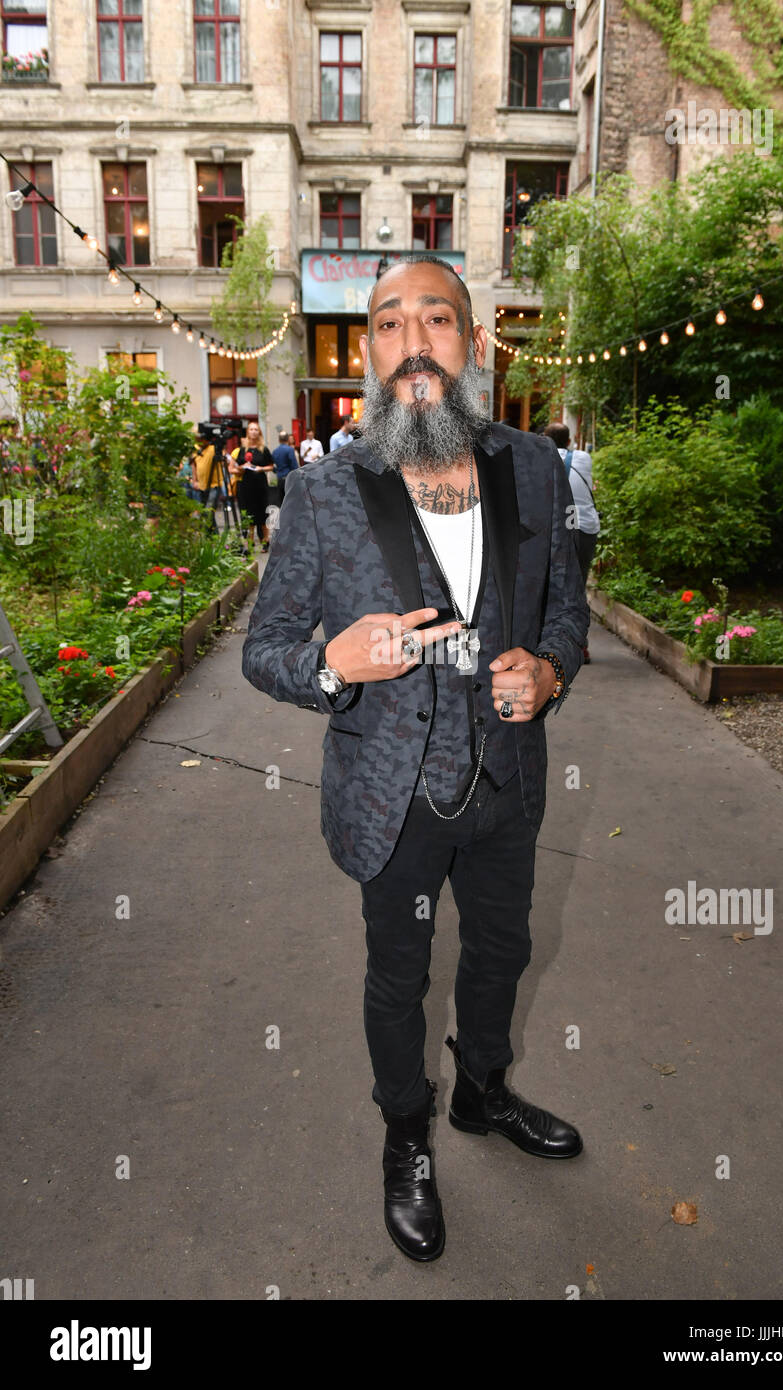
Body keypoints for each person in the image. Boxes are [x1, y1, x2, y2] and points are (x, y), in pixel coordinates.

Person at [242, 254, 589, 1264]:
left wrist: (551, 669)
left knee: (502, 951)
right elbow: (265, 650)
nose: (412, 342)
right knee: (397, 976)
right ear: (368, 354)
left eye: (434, 319)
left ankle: (482, 1090)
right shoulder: (323, 491)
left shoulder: (531, 467)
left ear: (470, 345)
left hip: (507, 779)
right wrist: (330, 666)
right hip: (390, 795)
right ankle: (406, 1134)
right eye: (388, 324)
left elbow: (564, 610)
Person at [544, 422, 599, 663]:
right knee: (579, 586)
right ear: (568, 441)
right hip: (585, 528)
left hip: (555, 529)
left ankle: (549, 643)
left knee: (550, 586)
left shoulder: (539, 455)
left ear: (544, 438)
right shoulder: (584, 458)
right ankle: (581, 646)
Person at [230, 421, 275, 552]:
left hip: (260, 485)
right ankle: (249, 543)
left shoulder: (263, 449)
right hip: (245, 486)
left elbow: (271, 466)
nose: (254, 432)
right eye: (251, 429)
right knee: (248, 515)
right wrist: (241, 468)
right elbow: (232, 468)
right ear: (247, 432)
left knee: (262, 515)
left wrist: (261, 468)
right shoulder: (241, 450)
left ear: (259, 432)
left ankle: (265, 541)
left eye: (256, 429)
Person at [272, 430, 299, 497]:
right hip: (289, 479)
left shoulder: (275, 451)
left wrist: (277, 471)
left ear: (279, 440)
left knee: (281, 501)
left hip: (279, 479)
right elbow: (294, 466)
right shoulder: (290, 450)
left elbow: (273, 467)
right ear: (287, 439)